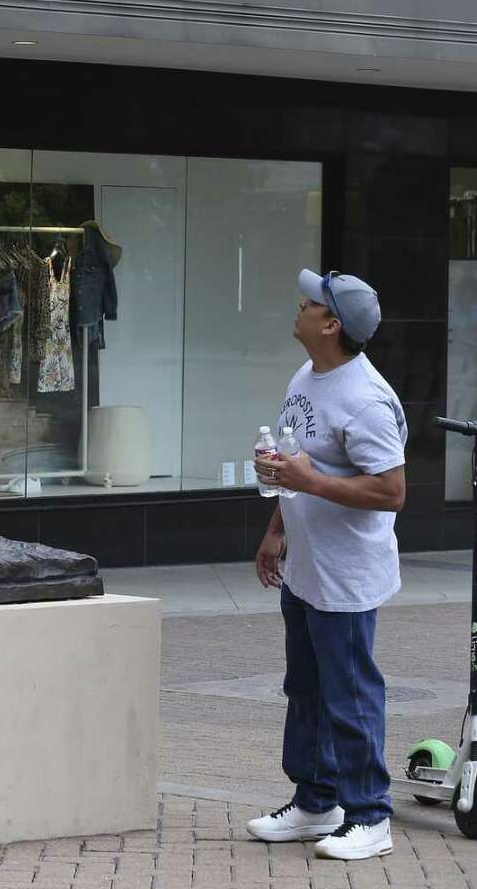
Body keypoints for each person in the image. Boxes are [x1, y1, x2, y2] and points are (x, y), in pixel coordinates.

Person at [248, 269, 407, 862]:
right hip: (306, 566)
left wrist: (311, 479)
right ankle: (317, 803)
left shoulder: (365, 400)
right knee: (307, 688)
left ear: (331, 324)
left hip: (345, 575)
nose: (299, 306)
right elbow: (299, 459)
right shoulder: (307, 376)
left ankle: (370, 815)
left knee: (351, 693)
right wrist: (275, 529)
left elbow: (391, 491)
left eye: (310, 303)